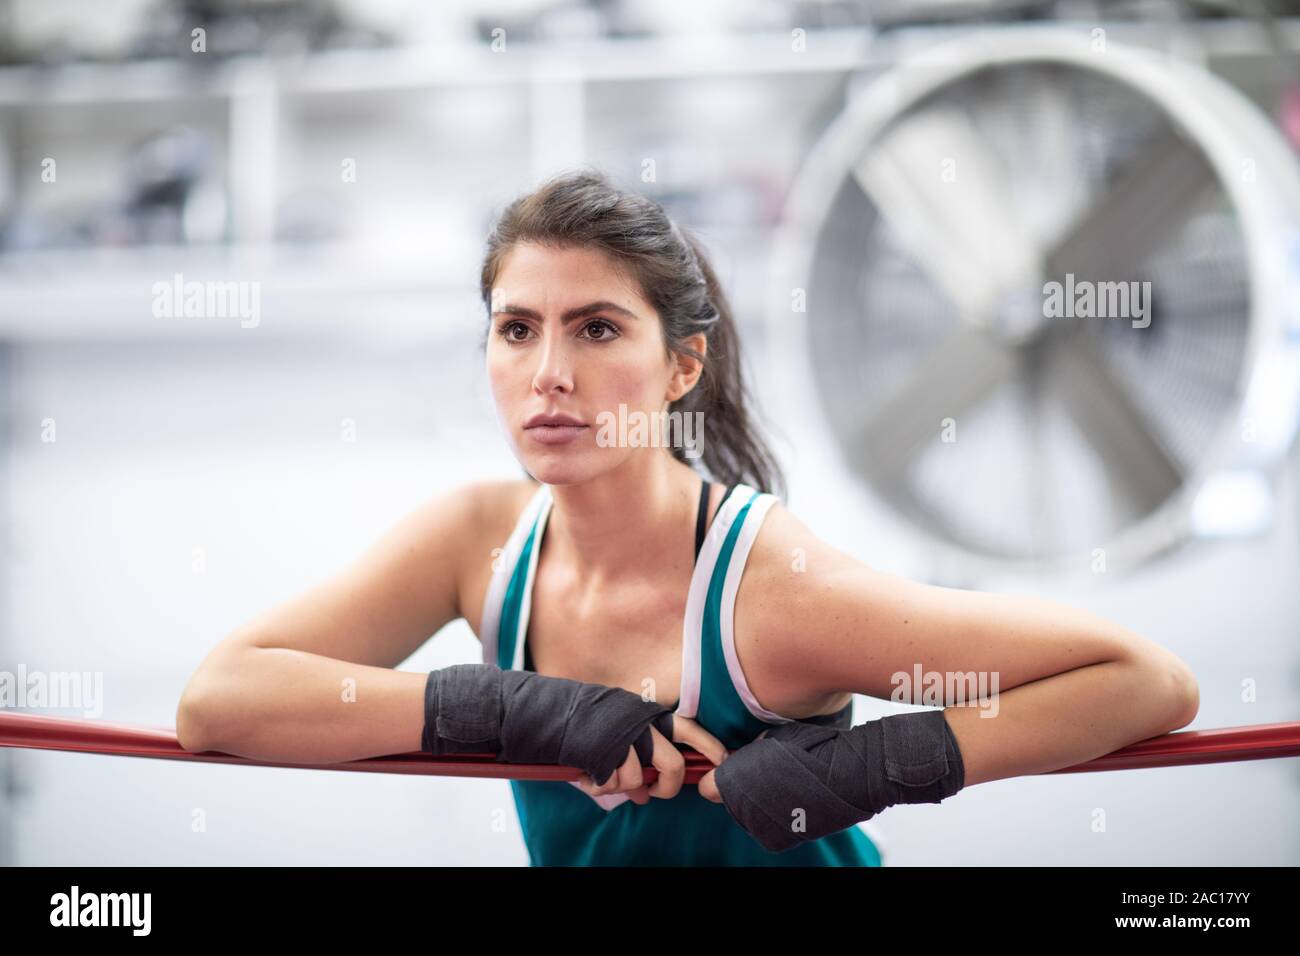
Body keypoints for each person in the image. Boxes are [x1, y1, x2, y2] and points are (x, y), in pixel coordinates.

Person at [175, 168, 1200, 866]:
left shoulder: (769, 593)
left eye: (597, 329)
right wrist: (509, 708)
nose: (549, 375)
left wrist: (873, 765)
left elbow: (1144, 680)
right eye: (516, 329)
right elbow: (219, 701)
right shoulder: (474, 540)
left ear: (681, 365)